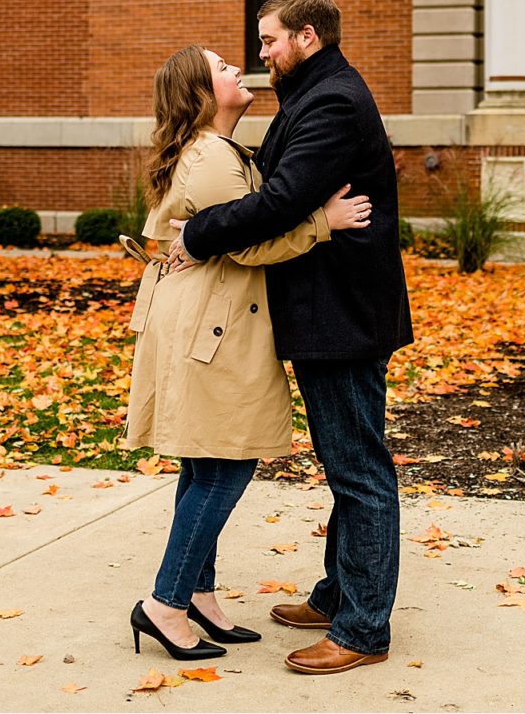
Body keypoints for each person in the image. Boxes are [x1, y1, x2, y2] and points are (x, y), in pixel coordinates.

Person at [171, 0, 413, 676]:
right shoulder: (313, 93)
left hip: (342, 316)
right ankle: (339, 593)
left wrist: (197, 234)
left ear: (307, 36)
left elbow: (278, 201)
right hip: (330, 312)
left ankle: (363, 627)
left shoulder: (332, 100)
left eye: (271, 39)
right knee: (349, 464)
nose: (262, 52)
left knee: (359, 469)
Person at [125, 43, 371, 661]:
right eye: (222, 67)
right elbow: (247, 243)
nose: (239, 67)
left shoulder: (222, 151)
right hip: (214, 325)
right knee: (226, 464)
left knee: (205, 462)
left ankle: (197, 595)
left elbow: (224, 232)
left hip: (209, 317)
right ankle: (165, 604)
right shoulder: (212, 157)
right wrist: (325, 222)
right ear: (202, 93)